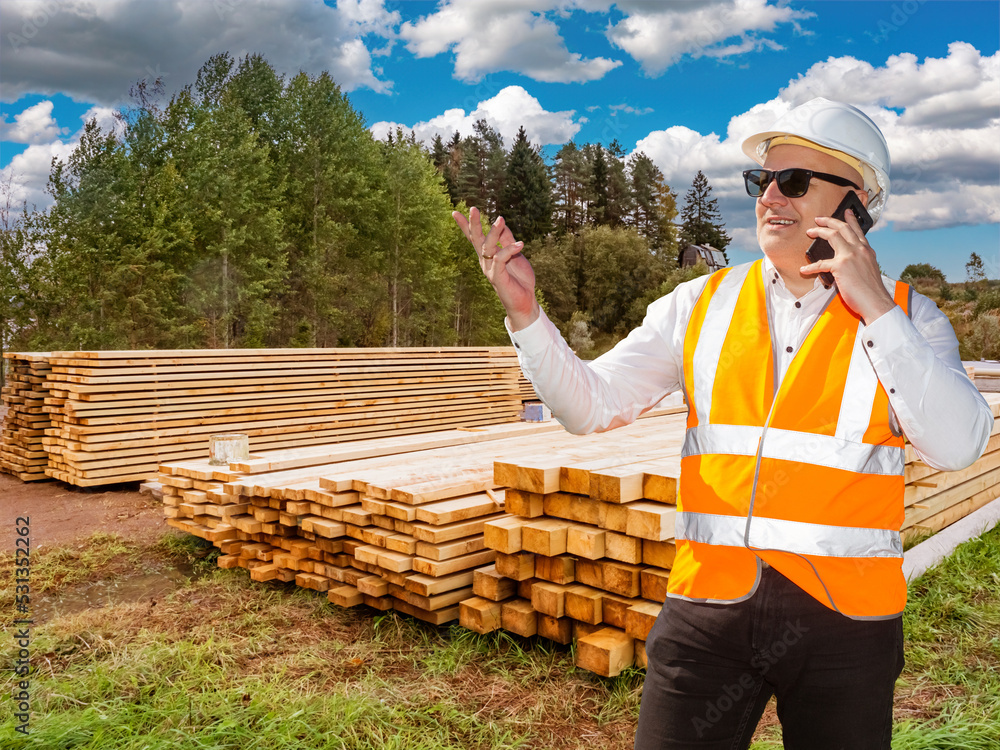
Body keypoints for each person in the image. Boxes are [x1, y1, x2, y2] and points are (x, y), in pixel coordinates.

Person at [453, 97, 992, 750]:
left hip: (847, 625)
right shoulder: (698, 305)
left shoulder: (910, 318)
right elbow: (588, 405)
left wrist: (874, 304)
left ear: (856, 205)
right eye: (760, 181)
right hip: (706, 611)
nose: (769, 197)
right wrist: (526, 315)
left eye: (792, 181)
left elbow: (959, 444)